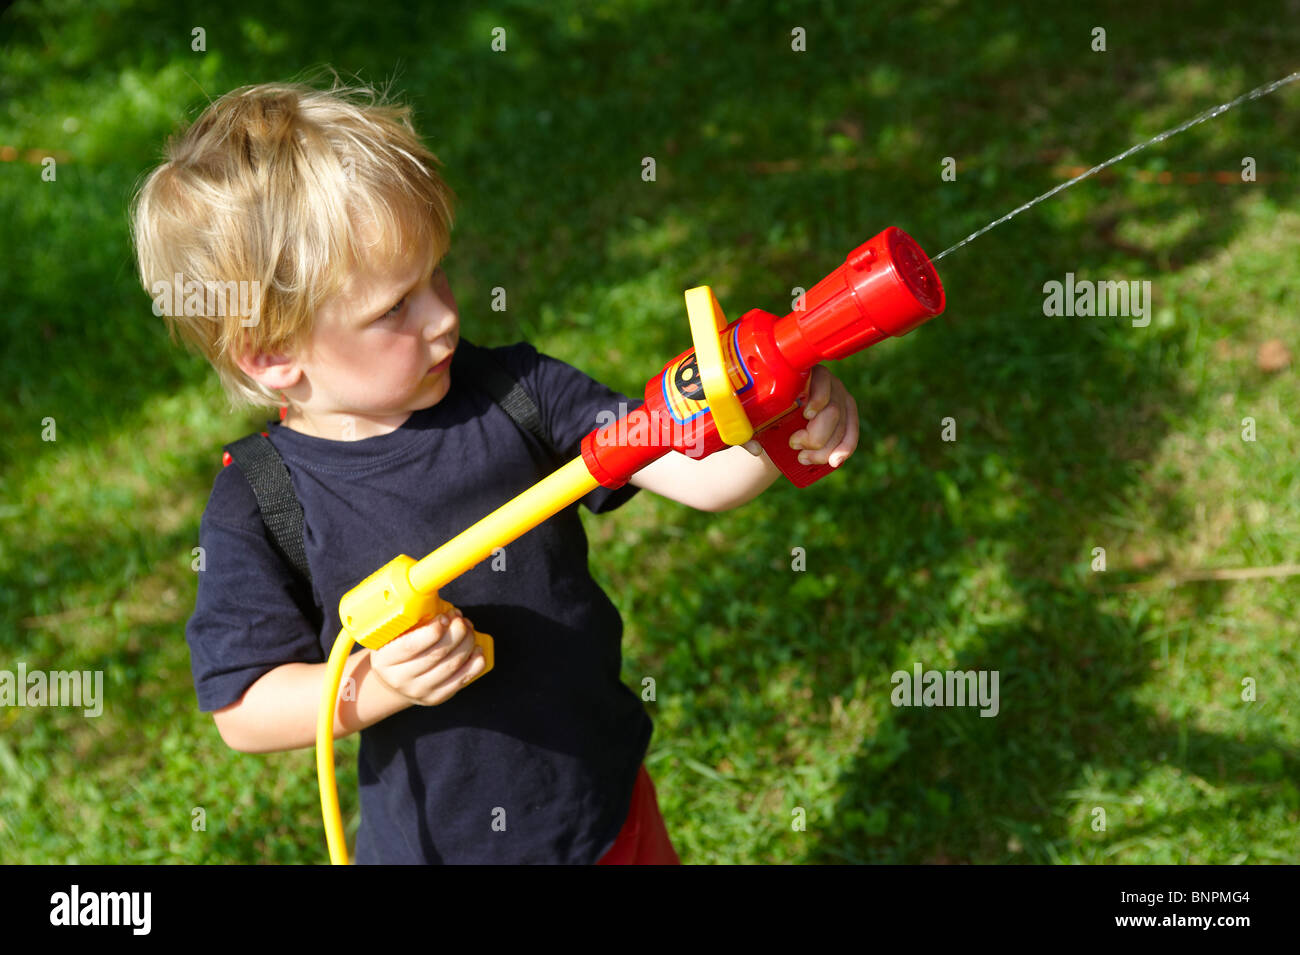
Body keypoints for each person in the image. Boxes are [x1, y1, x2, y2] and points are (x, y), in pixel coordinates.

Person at [129, 78, 860, 864]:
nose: (444, 315)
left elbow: (701, 477)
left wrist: (775, 418)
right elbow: (242, 706)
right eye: (394, 308)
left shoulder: (514, 390)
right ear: (272, 356)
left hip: (606, 807)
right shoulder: (263, 497)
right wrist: (380, 686)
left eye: (436, 276)